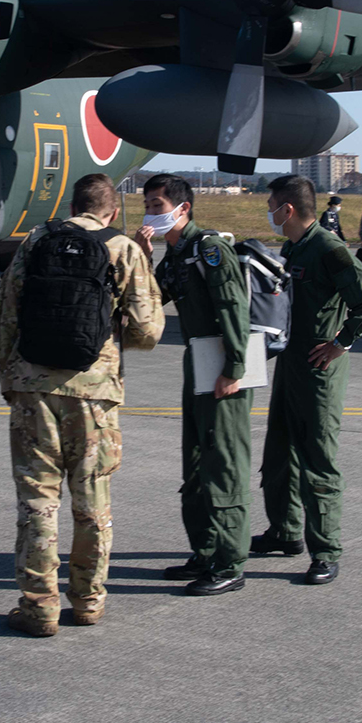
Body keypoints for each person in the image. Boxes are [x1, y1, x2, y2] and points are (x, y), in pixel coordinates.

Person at [0, 172, 165, 636]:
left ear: (74, 205)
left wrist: (10, 380)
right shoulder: (123, 249)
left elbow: (7, 313)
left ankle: (39, 609)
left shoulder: (36, 242)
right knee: (92, 505)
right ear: (110, 211)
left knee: (37, 503)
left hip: (33, 388)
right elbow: (148, 333)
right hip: (94, 396)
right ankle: (88, 601)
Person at [251, 175, 362, 585]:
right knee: (278, 456)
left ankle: (325, 551)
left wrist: (341, 343)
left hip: (318, 371)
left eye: (272, 204)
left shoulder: (329, 249)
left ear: (288, 209)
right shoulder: (293, 247)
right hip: (291, 365)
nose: (269, 211)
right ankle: (284, 532)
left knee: (318, 462)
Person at [133, 173, 254, 597]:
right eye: (147, 205)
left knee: (224, 464)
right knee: (197, 463)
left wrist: (235, 369)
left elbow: (233, 308)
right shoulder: (178, 254)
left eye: (158, 206)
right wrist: (144, 257)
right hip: (198, 362)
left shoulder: (209, 249)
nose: (151, 213)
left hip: (224, 364)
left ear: (183, 209)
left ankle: (230, 562)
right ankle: (205, 551)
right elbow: (151, 300)